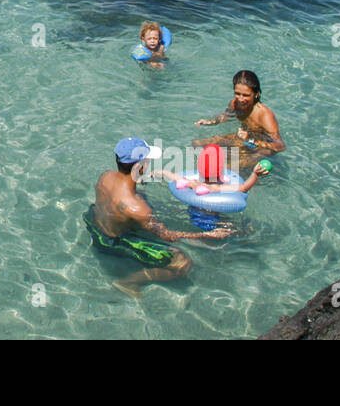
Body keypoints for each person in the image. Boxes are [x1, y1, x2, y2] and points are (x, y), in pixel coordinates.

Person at [86, 138, 235, 297]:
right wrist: (206, 235)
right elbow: (168, 236)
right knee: (183, 263)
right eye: (148, 161)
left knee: (141, 197)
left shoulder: (106, 176)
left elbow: (126, 193)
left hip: (93, 222)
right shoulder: (138, 208)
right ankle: (128, 282)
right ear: (139, 166)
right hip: (112, 242)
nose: (149, 163)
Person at [194, 70, 285, 170]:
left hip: (262, 148)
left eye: (246, 95)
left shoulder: (265, 114)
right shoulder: (235, 103)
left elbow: (280, 146)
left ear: (256, 94)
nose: (241, 99)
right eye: (237, 93)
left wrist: (251, 140)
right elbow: (226, 116)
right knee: (197, 144)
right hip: (244, 138)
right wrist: (211, 122)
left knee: (225, 167)